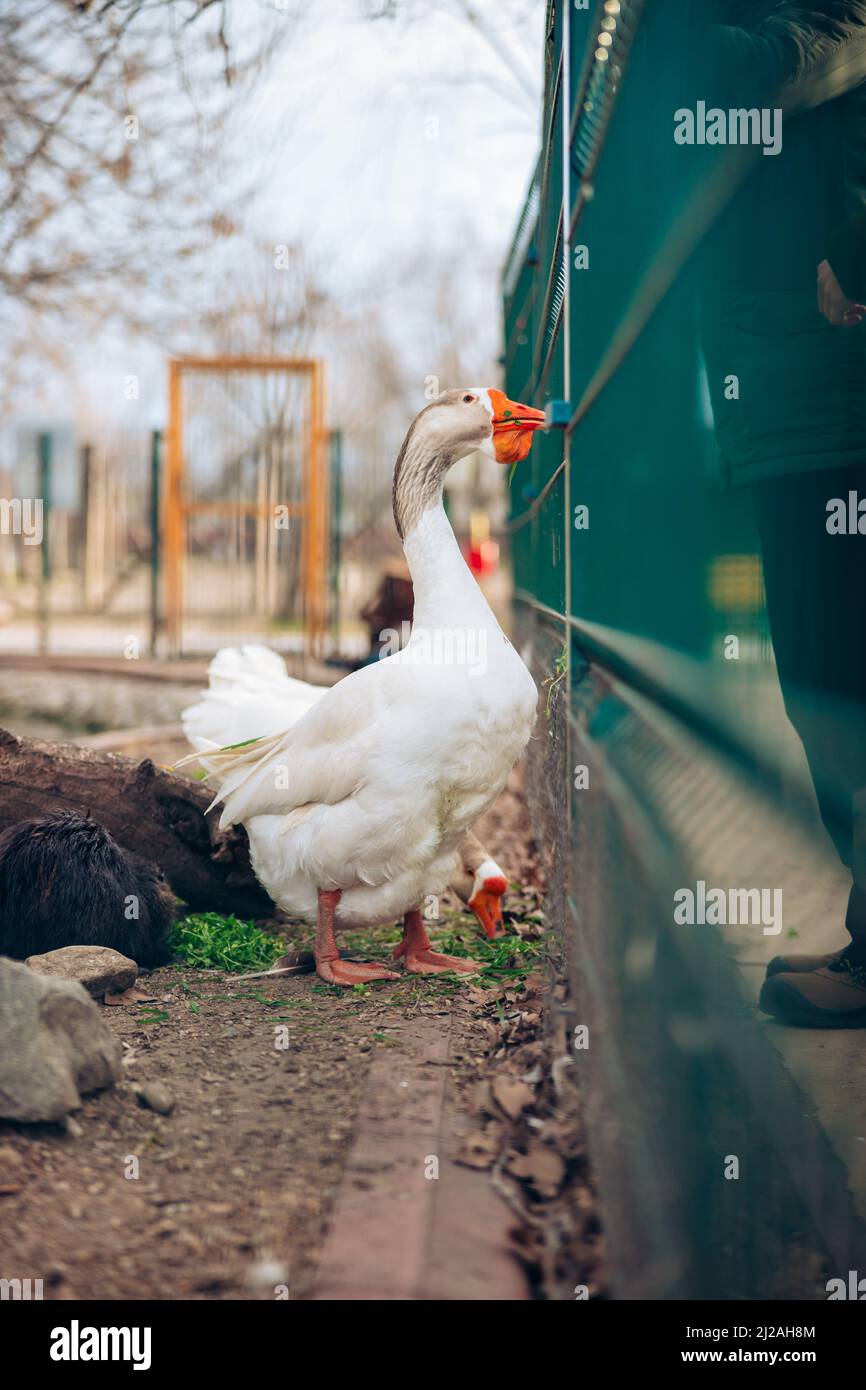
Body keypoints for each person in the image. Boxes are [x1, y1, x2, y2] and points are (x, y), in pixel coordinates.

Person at [697, 1, 866, 1024]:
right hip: (786, 387)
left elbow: (726, 70)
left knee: (834, 678)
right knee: (820, 681)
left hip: (827, 380)